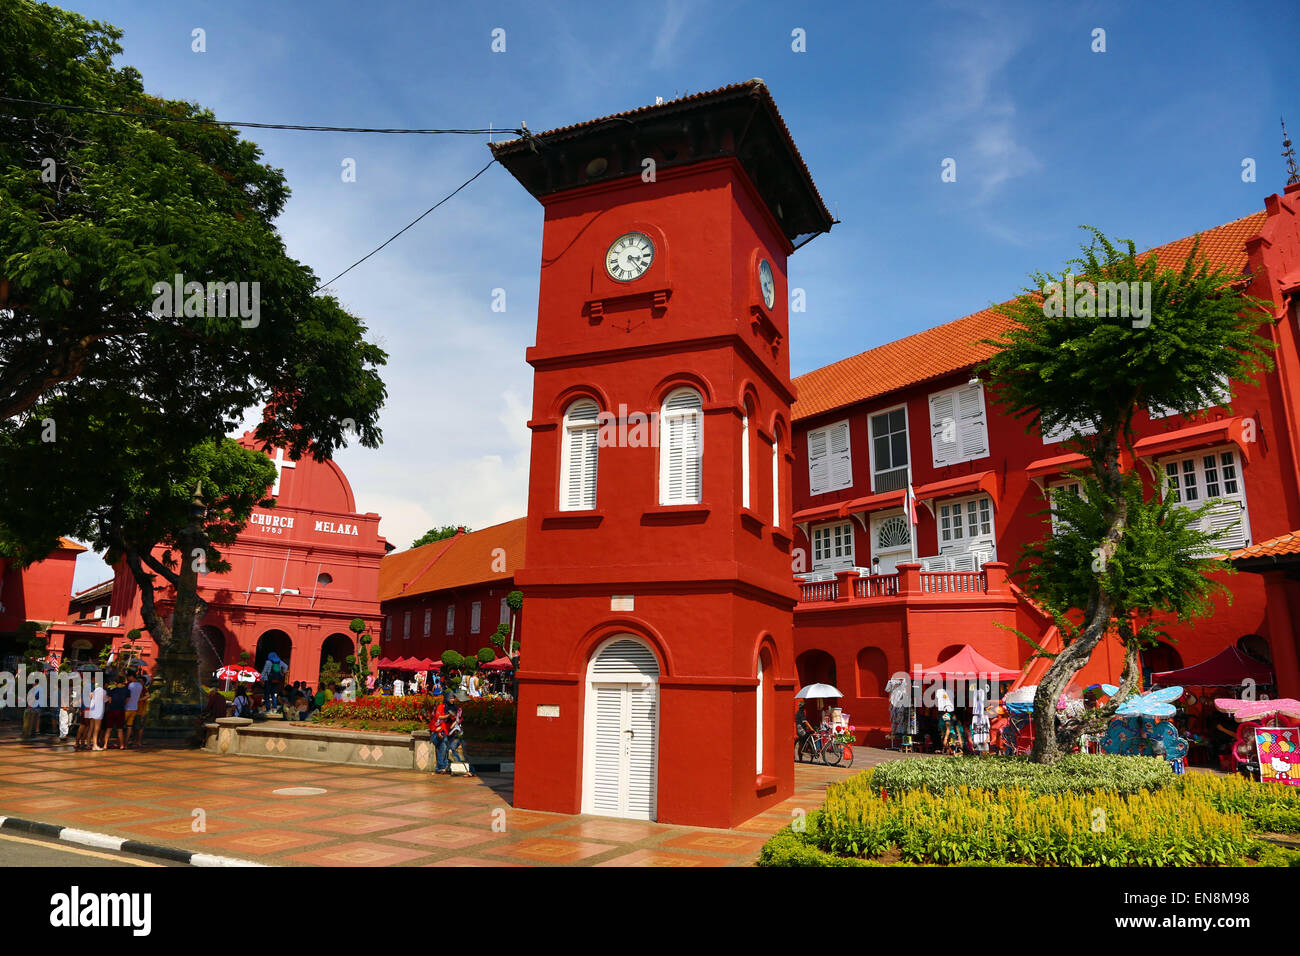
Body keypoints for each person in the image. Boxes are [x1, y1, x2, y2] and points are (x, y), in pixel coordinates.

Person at [103, 676, 129, 749]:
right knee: (120, 729)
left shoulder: (112, 690)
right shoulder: (126, 690)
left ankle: (105, 745)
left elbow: (110, 700)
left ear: (115, 682)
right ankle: (121, 745)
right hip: (120, 710)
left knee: (108, 728)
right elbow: (127, 700)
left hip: (111, 710)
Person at [430, 695, 454, 774]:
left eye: (453, 698)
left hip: (448, 731)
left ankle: (445, 765)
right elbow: (438, 717)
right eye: (451, 698)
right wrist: (447, 716)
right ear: (447, 699)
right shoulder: (441, 706)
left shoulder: (452, 707)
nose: (453, 699)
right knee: (442, 747)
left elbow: (454, 719)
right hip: (438, 730)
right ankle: (440, 767)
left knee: (446, 748)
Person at [85, 679, 108, 750]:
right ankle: (95, 745)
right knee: (96, 729)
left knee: (91, 728)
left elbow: (91, 696)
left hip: (92, 711)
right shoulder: (104, 691)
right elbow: (105, 700)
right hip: (98, 712)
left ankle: (88, 744)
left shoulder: (95, 690)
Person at [123, 671, 144, 748]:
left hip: (127, 708)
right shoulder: (140, 685)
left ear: (131, 676)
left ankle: (121, 743)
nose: (127, 678)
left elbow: (126, 696)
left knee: (120, 726)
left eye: (128, 677)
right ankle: (126, 744)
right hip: (134, 708)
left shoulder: (129, 685)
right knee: (129, 727)